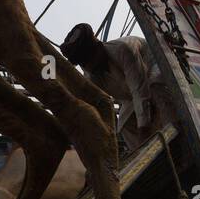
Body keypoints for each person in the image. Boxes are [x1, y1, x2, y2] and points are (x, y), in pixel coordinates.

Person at [60, 24, 171, 152]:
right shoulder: (91, 76)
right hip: (130, 95)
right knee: (124, 123)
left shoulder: (123, 49)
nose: (90, 66)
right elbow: (94, 106)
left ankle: (175, 131)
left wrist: (143, 131)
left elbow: (140, 90)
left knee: (155, 87)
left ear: (99, 48)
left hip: (153, 71)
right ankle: (149, 155)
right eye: (86, 64)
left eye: (92, 59)